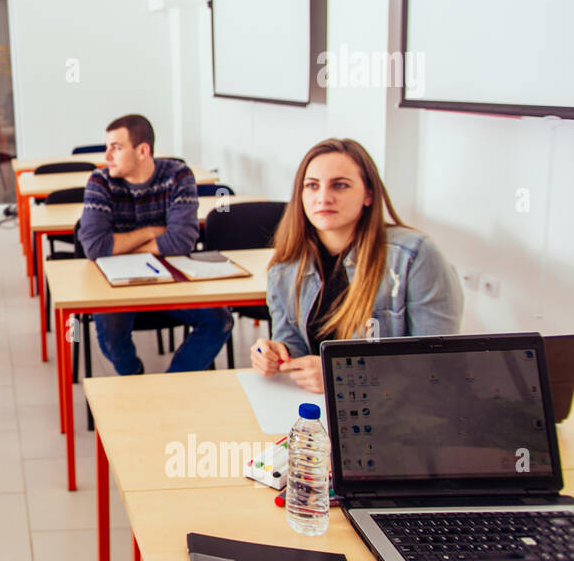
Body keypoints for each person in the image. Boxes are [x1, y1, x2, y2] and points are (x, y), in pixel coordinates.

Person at [252, 138, 463, 394]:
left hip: (395, 410)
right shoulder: (285, 266)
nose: (323, 198)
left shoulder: (414, 256)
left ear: (368, 195)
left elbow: (436, 363)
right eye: (312, 186)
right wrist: (276, 354)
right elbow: (294, 343)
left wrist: (342, 374)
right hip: (316, 407)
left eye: (340, 185)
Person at [78, 114, 234, 374]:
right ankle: (136, 381)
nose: (107, 156)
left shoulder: (178, 176)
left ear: (142, 151)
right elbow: (95, 247)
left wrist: (120, 247)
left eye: (116, 148)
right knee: (111, 337)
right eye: (107, 148)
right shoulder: (100, 182)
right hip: (117, 283)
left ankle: (171, 385)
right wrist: (151, 231)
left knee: (220, 320)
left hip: (173, 278)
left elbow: (181, 241)